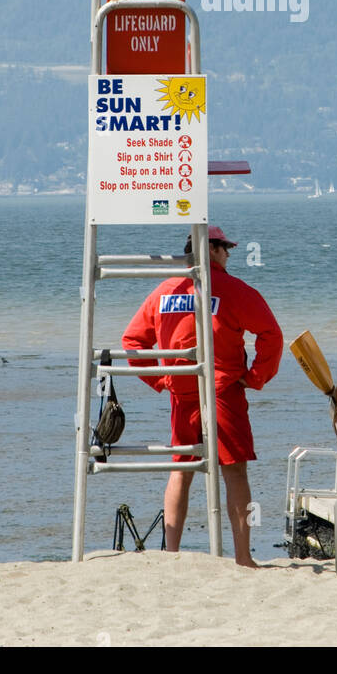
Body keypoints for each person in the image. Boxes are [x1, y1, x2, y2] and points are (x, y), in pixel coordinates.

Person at [122, 225, 282, 567]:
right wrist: (256, 377)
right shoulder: (235, 290)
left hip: (181, 391)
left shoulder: (164, 291)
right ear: (212, 250)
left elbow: (133, 343)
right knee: (235, 473)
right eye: (226, 249)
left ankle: (172, 555)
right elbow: (271, 334)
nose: (229, 255)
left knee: (181, 472)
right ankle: (242, 557)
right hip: (223, 390)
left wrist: (162, 379)